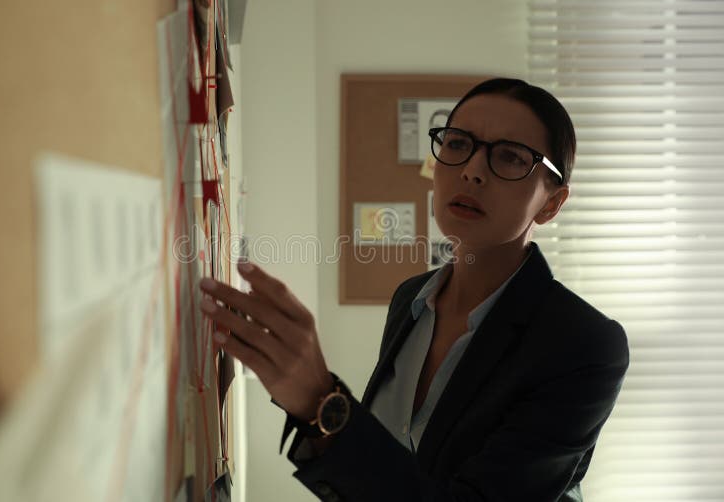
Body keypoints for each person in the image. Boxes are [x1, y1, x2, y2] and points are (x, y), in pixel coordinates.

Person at [199, 78, 629, 501]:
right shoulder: (411, 298)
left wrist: (322, 402)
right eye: (459, 143)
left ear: (551, 203)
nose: (473, 170)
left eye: (511, 157)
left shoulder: (583, 344)